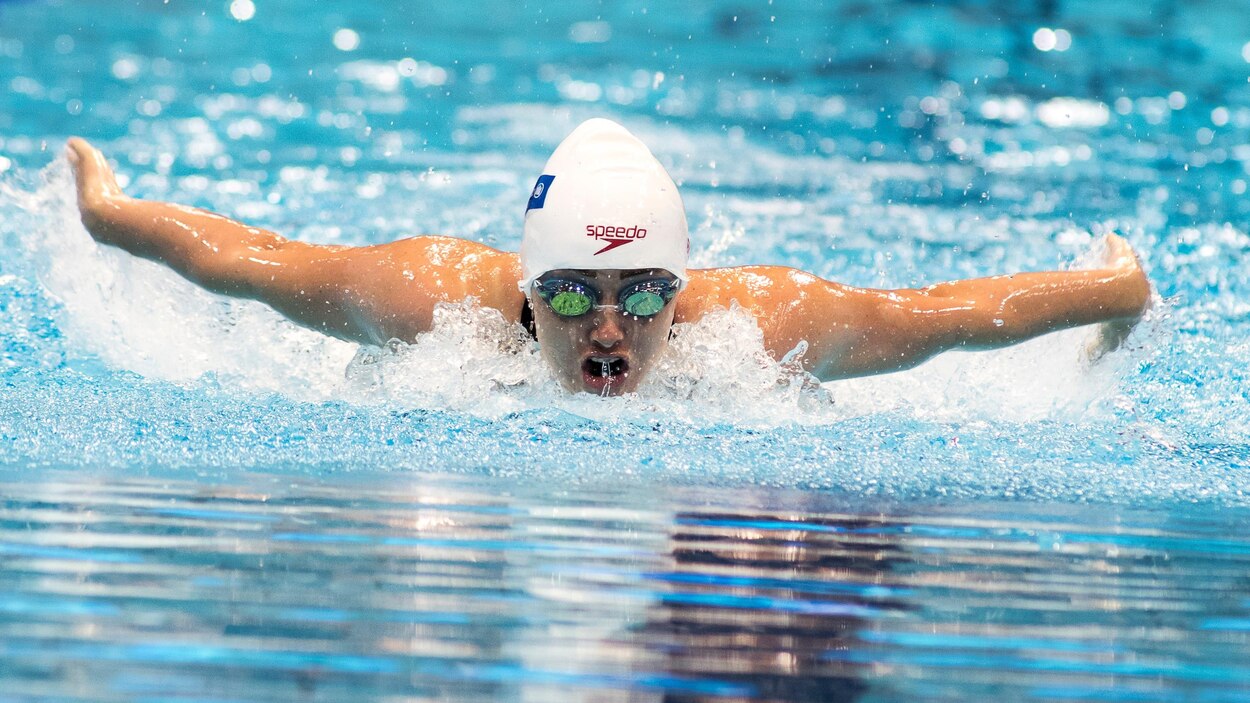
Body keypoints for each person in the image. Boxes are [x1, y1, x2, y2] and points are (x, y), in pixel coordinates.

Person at [66, 118, 1151, 396]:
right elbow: (250, 259)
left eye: (643, 297)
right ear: (526, 293)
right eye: (572, 291)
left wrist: (1112, 291)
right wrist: (110, 215)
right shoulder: (430, 302)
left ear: (680, 293)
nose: (606, 326)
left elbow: (955, 311)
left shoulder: (760, 327)